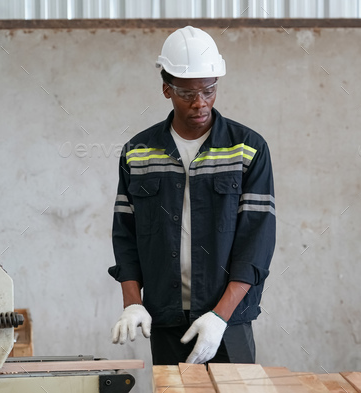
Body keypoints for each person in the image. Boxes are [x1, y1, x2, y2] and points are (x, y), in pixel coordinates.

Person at [108, 26, 276, 365]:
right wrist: (133, 302)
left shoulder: (248, 149)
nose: (200, 103)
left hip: (227, 321)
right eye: (187, 93)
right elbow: (125, 236)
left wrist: (219, 317)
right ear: (166, 89)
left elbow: (256, 243)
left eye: (209, 90)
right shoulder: (138, 152)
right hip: (165, 318)